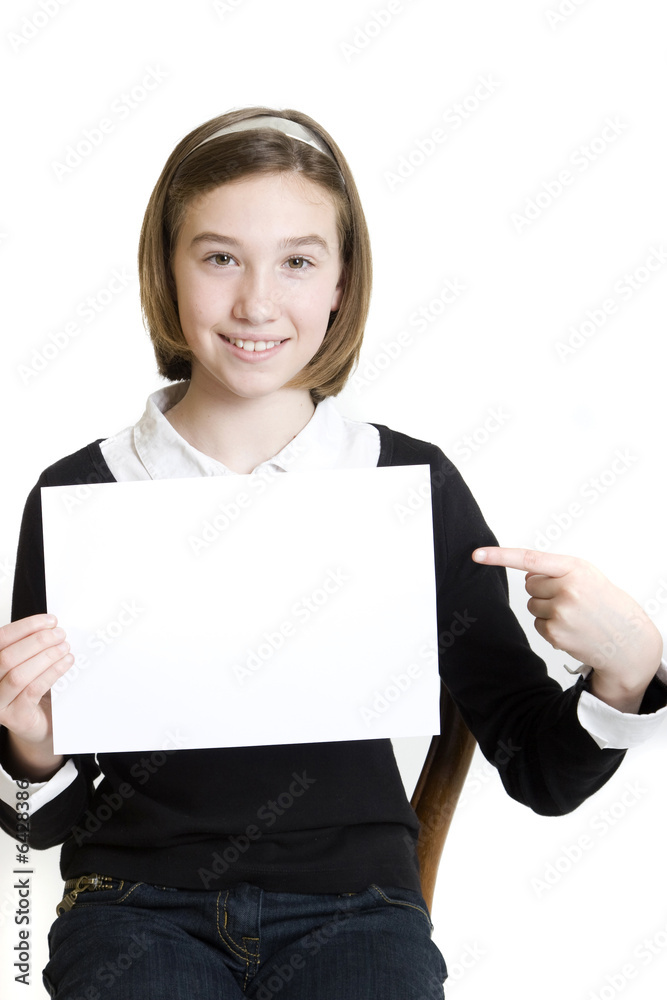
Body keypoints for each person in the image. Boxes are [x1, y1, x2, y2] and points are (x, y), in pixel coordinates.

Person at [0, 107, 664, 999]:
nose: (257, 303)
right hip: (132, 910)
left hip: (357, 911)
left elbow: (541, 772)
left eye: (298, 262)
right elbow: (39, 828)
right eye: (219, 256)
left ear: (341, 286)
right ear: (168, 269)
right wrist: (31, 750)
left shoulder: (408, 482)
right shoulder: (80, 494)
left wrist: (629, 670)